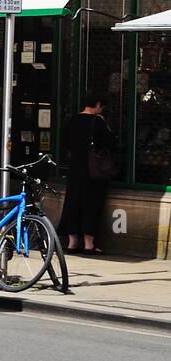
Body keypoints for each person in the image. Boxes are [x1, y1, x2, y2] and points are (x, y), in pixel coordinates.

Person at [60, 91, 114, 255]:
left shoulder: (72, 120)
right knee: (91, 204)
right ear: (97, 104)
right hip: (93, 170)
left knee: (73, 202)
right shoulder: (97, 122)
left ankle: (72, 241)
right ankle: (89, 243)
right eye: (101, 107)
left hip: (75, 168)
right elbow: (110, 142)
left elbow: (66, 143)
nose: (101, 110)